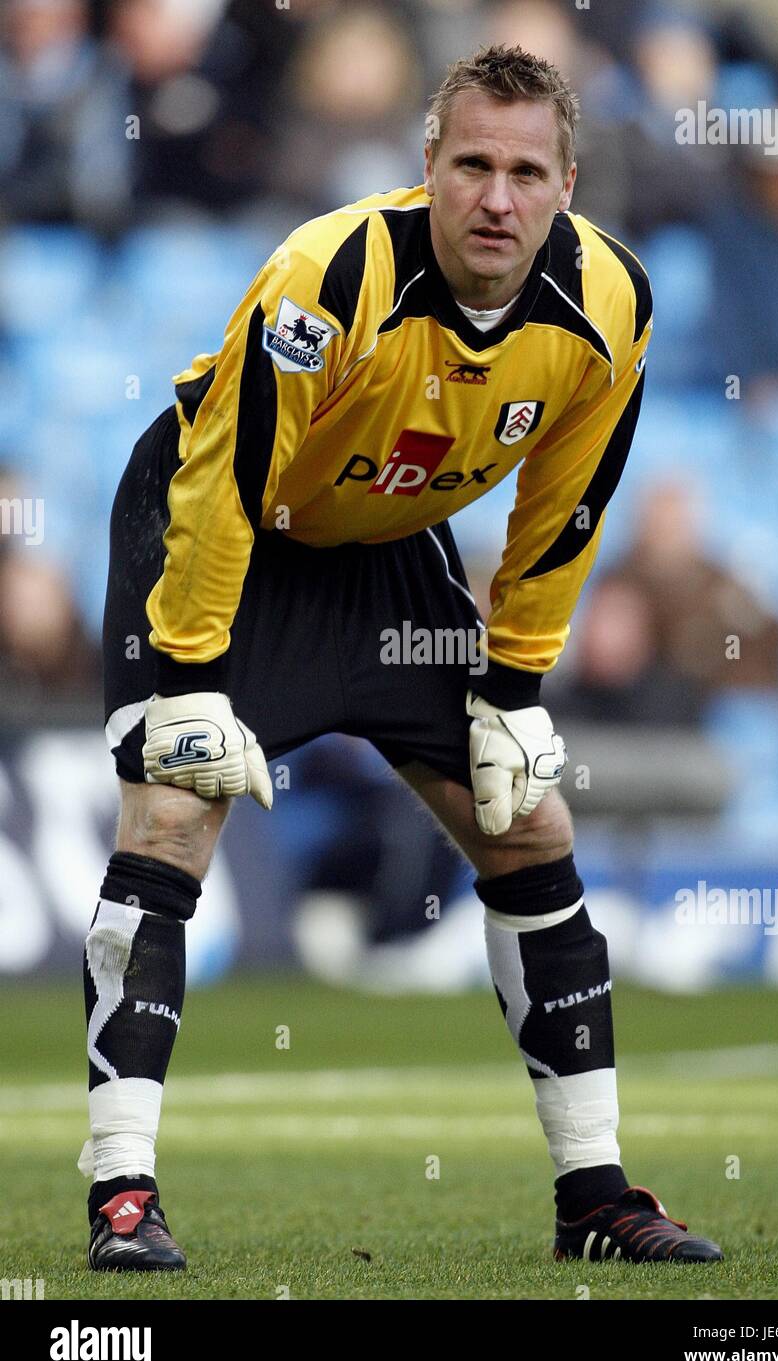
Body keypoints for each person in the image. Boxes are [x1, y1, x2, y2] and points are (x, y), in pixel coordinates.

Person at [84, 44, 721, 1272]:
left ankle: (593, 1199)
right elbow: (224, 481)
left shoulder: (613, 305)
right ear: (424, 167)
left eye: (525, 171)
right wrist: (185, 680)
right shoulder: (326, 274)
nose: (496, 195)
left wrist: (514, 689)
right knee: (172, 814)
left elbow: (566, 500)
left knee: (525, 820)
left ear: (567, 184)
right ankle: (122, 1196)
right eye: (471, 163)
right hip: (226, 531)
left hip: (382, 551)